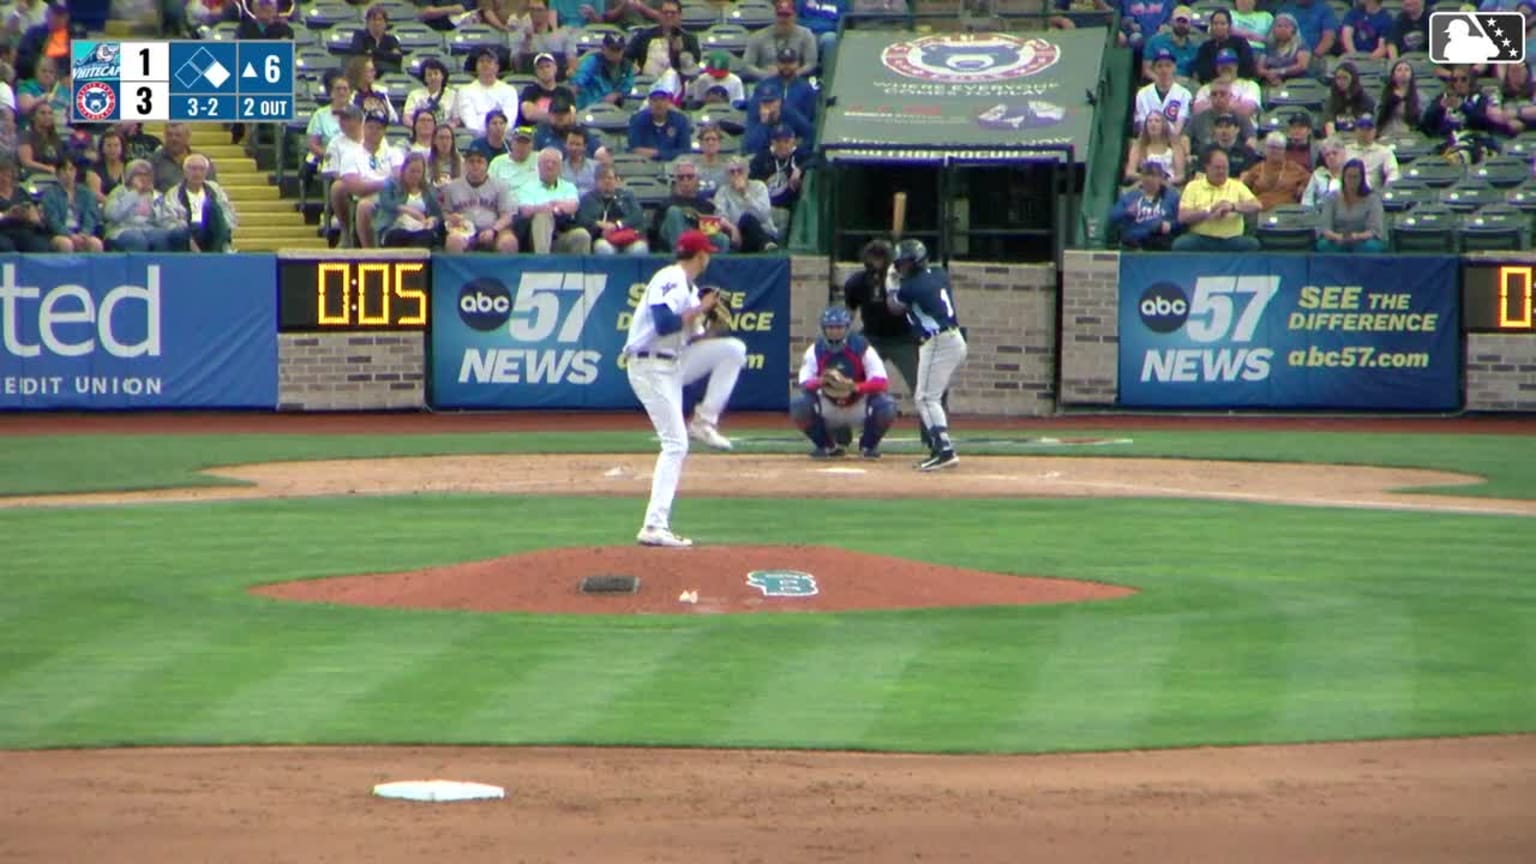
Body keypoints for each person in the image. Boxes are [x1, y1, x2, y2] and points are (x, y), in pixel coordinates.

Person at [622, 229, 749, 547]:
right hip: (649, 365)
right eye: (708, 253)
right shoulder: (671, 276)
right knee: (675, 444)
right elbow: (664, 322)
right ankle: (654, 526)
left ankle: (705, 422)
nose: (709, 259)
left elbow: (689, 336)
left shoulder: (689, 290)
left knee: (732, 349)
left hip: (673, 362)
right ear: (701, 256)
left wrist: (710, 325)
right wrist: (701, 307)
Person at [841, 238, 935, 450]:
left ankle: (932, 437)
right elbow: (849, 313)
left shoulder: (903, 279)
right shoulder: (857, 282)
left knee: (923, 389)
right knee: (845, 383)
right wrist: (846, 341)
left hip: (904, 339)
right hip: (871, 339)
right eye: (873, 257)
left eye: (881, 256)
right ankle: (841, 435)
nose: (877, 261)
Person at [890, 238, 966, 471]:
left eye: (905, 263)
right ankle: (939, 448)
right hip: (950, 340)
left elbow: (893, 306)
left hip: (938, 342)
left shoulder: (912, 286)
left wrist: (890, 283)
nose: (901, 267)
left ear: (916, 263)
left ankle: (944, 451)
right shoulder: (939, 273)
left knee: (925, 398)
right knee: (929, 397)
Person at [790, 305, 897, 459]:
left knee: (887, 406)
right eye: (830, 327)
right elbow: (805, 382)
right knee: (799, 405)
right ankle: (827, 446)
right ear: (824, 329)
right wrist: (823, 382)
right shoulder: (815, 349)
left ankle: (868, 446)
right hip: (829, 402)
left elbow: (881, 382)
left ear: (847, 328)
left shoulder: (862, 347)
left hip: (857, 402)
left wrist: (854, 386)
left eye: (839, 327)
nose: (835, 331)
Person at [332, 111, 402, 248]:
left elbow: (399, 180)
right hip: (366, 198)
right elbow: (356, 188)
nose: (374, 131)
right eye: (371, 127)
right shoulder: (351, 155)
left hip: (391, 197)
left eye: (379, 128)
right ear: (364, 128)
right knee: (364, 205)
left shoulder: (394, 153)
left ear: (384, 131)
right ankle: (369, 252)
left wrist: (373, 184)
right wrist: (385, 183)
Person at [1174, 146, 1262, 251]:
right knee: (1180, 244)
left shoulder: (1237, 185)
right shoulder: (1193, 186)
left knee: (1253, 244)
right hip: (1201, 239)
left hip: (1232, 240)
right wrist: (1209, 211)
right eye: (1217, 167)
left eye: (1225, 168)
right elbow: (1183, 217)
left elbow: (1257, 206)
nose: (1221, 171)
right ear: (1207, 167)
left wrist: (1232, 207)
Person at [440, 148, 519, 253]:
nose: (475, 165)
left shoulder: (500, 185)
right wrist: (451, 218)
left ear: (486, 164)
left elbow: (506, 217)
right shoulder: (452, 187)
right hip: (463, 231)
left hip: (494, 231)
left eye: (479, 161)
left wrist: (493, 230)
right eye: (471, 161)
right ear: (465, 164)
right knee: (453, 240)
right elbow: (445, 212)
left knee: (509, 242)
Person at [514, 147, 591, 253]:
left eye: (554, 163)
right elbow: (525, 211)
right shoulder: (527, 188)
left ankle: (577, 269)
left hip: (561, 234)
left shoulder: (568, 187)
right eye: (546, 162)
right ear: (538, 166)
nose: (550, 166)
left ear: (560, 168)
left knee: (582, 235)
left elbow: (573, 206)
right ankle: (543, 264)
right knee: (542, 217)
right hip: (533, 237)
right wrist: (552, 208)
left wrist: (547, 206)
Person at [103, 159, 188, 252]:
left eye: (146, 174)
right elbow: (113, 215)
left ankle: (160, 266)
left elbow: (163, 218)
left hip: (149, 228)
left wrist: (175, 223)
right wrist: (135, 193)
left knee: (162, 237)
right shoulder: (119, 192)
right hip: (121, 229)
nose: (143, 178)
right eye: (138, 174)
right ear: (130, 176)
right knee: (137, 239)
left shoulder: (155, 194)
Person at [161, 153, 237, 252]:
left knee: (212, 208)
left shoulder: (215, 189)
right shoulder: (174, 193)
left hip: (212, 230)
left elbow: (229, 213)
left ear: (206, 172)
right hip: (188, 234)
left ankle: (216, 255)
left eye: (201, 169)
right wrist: (190, 239)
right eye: (193, 169)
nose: (197, 173)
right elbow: (169, 221)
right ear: (185, 171)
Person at [373, 151, 443, 248]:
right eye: (412, 171)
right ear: (404, 170)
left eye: (418, 172)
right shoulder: (391, 184)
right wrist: (407, 210)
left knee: (425, 237)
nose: (415, 175)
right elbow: (385, 202)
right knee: (398, 236)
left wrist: (432, 220)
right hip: (395, 226)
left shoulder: (429, 190)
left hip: (420, 228)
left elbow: (437, 213)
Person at [1316, 158, 1386, 252]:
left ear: (1362, 178)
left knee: (1369, 247)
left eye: (1355, 177)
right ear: (1343, 177)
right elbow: (1325, 228)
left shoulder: (1373, 199)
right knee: (1324, 245)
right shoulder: (1331, 198)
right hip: (1337, 239)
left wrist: (1356, 237)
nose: (1351, 181)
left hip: (1363, 240)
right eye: (1348, 176)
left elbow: (1374, 230)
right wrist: (1338, 237)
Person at [659, 158, 728, 252]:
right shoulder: (666, 203)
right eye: (681, 177)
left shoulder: (706, 205)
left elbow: (711, 231)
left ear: (697, 179)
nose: (685, 181)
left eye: (689, 177)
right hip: (674, 237)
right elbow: (659, 233)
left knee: (723, 239)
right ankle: (682, 254)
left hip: (698, 236)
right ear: (676, 180)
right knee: (673, 211)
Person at [578, 163, 648, 254]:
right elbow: (582, 219)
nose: (607, 181)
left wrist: (617, 225)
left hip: (628, 237)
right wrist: (598, 224)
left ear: (616, 180)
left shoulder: (627, 196)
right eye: (602, 178)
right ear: (595, 181)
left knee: (639, 248)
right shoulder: (588, 198)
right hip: (602, 239)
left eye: (610, 178)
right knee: (603, 248)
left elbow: (637, 216)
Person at [1110, 161, 1181, 250]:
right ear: (1141, 177)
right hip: (1133, 240)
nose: (1149, 179)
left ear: (1161, 178)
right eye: (1146, 175)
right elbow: (1113, 217)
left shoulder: (1171, 197)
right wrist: (1127, 212)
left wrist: (1170, 225)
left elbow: (1181, 221)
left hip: (1160, 240)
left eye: (1154, 175)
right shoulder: (1130, 196)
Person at [714, 155, 778, 253]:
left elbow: (764, 216)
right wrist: (733, 228)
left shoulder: (759, 186)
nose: (736, 174)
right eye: (732, 172)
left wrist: (745, 193)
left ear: (747, 172)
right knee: (744, 220)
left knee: (747, 218)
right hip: (739, 237)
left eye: (740, 171)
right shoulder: (723, 191)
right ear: (727, 175)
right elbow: (719, 216)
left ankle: (766, 244)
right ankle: (766, 245)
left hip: (765, 232)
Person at [624, 0, 701, 81]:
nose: (668, 16)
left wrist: (681, 51)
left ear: (680, 16)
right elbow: (626, 57)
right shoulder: (644, 36)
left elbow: (693, 65)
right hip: (648, 83)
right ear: (659, 15)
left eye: (673, 13)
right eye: (665, 12)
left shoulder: (690, 39)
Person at [743, 0, 818, 80]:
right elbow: (747, 65)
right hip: (766, 84)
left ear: (795, 16)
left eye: (787, 15)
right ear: (774, 15)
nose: (783, 19)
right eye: (780, 15)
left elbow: (811, 63)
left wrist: (795, 72)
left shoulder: (806, 34)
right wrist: (764, 74)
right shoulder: (758, 36)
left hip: (796, 82)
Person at [38, 156, 101, 251]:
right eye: (64, 170)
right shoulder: (50, 194)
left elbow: (91, 216)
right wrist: (70, 235)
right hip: (59, 234)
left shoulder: (86, 193)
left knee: (96, 244)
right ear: (58, 173)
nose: (68, 173)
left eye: (71, 169)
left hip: (81, 233)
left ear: (76, 172)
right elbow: (53, 221)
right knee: (66, 244)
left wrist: (84, 233)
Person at [749, 124, 804, 230]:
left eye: (786, 141)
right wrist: (763, 183)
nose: (782, 145)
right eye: (778, 142)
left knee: (782, 216)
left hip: (788, 207)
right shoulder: (763, 157)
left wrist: (799, 169)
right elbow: (750, 180)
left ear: (793, 142)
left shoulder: (799, 155)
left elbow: (818, 159)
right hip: (764, 204)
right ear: (773, 143)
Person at [456, 49, 521, 135]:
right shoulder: (465, 91)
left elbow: (509, 120)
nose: (485, 64)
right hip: (476, 137)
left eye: (489, 61)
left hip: (502, 136)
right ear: (476, 66)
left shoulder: (509, 90)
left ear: (497, 67)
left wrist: (496, 133)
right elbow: (469, 121)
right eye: (481, 61)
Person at [1241, 132, 1309, 210]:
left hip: (1286, 211)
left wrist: (1303, 186)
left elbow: (1310, 179)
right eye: (1271, 147)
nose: (1274, 151)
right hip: (1261, 211)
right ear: (1266, 149)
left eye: (1278, 148)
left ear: (1284, 150)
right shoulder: (1257, 168)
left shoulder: (1294, 168)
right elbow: (1243, 188)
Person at [1135, 47, 1193, 135]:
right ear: (1154, 69)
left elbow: (1181, 123)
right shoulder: (1142, 94)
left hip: (1174, 141)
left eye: (1168, 65)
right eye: (1159, 66)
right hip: (1149, 140)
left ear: (1175, 68)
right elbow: (1142, 124)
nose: (1164, 70)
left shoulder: (1184, 94)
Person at [571, 32, 634, 109]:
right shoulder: (593, 61)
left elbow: (628, 86)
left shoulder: (627, 66)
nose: (615, 53)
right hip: (589, 106)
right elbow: (579, 80)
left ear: (623, 50)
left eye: (618, 50)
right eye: (612, 49)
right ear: (603, 48)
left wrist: (616, 94)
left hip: (615, 109)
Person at [628, 84, 692, 160]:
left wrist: (658, 153)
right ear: (649, 103)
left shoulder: (680, 120)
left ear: (668, 102)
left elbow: (685, 151)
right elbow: (635, 149)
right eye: (655, 100)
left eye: (662, 99)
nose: (659, 104)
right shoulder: (637, 120)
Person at [1193, 50, 1261, 118]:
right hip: (1211, 126)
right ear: (1216, 67)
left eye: (1229, 62)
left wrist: (1213, 105)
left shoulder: (1250, 85)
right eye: (1221, 62)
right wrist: (1234, 104)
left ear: (1236, 65)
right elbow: (1198, 112)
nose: (1225, 66)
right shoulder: (1205, 88)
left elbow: (1246, 111)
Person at [515, 0, 577, 75]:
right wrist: (527, 40)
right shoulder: (522, 34)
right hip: (530, 77)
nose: (535, 13)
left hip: (558, 78)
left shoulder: (564, 34)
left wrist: (571, 70)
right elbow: (516, 65)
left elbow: (571, 61)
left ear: (548, 11)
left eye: (539, 10)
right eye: (532, 10)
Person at [1193, 10, 1258, 83]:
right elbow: (1202, 70)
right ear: (1211, 26)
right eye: (1215, 23)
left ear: (1229, 25)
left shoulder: (1241, 43)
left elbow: (1248, 66)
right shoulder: (1205, 47)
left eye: (1223, 24)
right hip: (1213, 84)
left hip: (1239, 83)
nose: (1219, 27)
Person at [150, 123, 217, 192]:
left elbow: (213, 189)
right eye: (169, 135)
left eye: (178, 135)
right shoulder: (154, 161)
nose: (173, 139)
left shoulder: (202, 160)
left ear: (188, 136)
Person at [1124, 111, 1186, 185]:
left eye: (1157, 121)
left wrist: (1164, 182)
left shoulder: (1175, 147)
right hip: (1144, 185)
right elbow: (1130, 172)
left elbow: (1181, 176)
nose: (1153, 124)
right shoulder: (1138, 146)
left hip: (1168, 184)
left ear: (1164, 125)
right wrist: (1148, 178)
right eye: (1149, 121)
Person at [1142, 5, 1200, 79]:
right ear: (1171, 22)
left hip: (1184, 85)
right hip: (1159, 82)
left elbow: (1195, 75)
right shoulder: (1155, 41)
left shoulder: (1194, 48)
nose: (1181, 25)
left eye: (1184, 21)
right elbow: (1146, 70)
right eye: (1178, 21)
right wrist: (1163, 81)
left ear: (1190, 25)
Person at [402, 58, 461, 129]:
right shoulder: (414, 94)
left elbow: (456, 120)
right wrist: (419, 129)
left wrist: (445, 129)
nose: (433, 77)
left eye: (436, 73)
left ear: (443, 76)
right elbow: (406, 118)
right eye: (429, 75)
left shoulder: (453, 95)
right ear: (424, 78)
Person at [519, 53, 576, 125]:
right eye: (540, 67)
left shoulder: (566, 92)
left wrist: (541, 114)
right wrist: (557, 118)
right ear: (536, 71)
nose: (545, 70)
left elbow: (571, 116)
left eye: (548, 66)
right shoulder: (529, 91)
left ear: (555, 68)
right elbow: (529, 114)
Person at [1344, 116, 1398, 191]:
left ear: (1374, 131)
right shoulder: (1346, 150)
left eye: (1368, 130)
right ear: (1356, 131)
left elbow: (1393, 173)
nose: (1365, 133)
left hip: (1373, 193)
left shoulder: (1384, 152)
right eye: (1361, 129)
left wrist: (1386, 190)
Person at [1323, 61, 1374, 137]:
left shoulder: (1365, 100)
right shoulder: (1332, 99)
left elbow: (1364, 126)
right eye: (1338, 78)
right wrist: (1333, 141)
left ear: (1353, 78)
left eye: (1345, 78)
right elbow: (1329, 124)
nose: (1341, 82)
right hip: (1338, 139)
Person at [1257, 13, 1311, 85]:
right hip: (1271, 82)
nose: (1283, 29)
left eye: (1287, 26)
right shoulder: (1269, 45)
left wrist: (1279, 72)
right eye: (1279, 26)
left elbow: (1302, 66)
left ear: (1293, 29)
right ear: (1274, 29)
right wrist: (1269, 75)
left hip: (1296, 83)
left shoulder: (1301, 45)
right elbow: (1260, 69)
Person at [347, 55, 399, 126]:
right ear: (359, 73)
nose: (374, 73)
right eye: (370, 71)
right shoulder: (350, 96)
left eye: (374, 70)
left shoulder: (380, 92)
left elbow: (393, 118)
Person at [1376, 61, 1421, 138]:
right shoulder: (1385, 94)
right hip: (1387, 133)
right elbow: (1380, 117)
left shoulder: (1419, 95)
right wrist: (1394, 99)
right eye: (1399, 70)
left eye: (1407, 70)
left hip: (1408, 134)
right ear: (1393, 75)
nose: (1403, 72)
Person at [16, 100, 61, 176]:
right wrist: (47, 169)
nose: (47, 116)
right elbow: (26, 162)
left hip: (54, 179)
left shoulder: (55, 138)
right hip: (30, 178)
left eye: (50, 113)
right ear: (33, 116)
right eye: (42, 113)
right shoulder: (25, 135)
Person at [488, 124, 538, 189]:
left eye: (526, 143)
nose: (522, 146)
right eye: (518, 142)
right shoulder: (497, 162)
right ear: (511, 143)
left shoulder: (540, 159)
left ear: (532, 145)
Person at [87, 128, 128, 204]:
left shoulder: (129, 166)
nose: (113, 149)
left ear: (122, 147)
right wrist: (115, 205)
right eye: (109, 145)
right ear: (102, 148)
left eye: (116, 145)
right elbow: (95, 194)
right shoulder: (94, 168)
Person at [1301, 137, 1346, 208]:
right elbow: (1307, 199)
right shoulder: (1318, 174)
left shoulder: (1352, 173)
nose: (1331, 157)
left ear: (1343, 154)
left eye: (1335, 153)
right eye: (1327, 155)